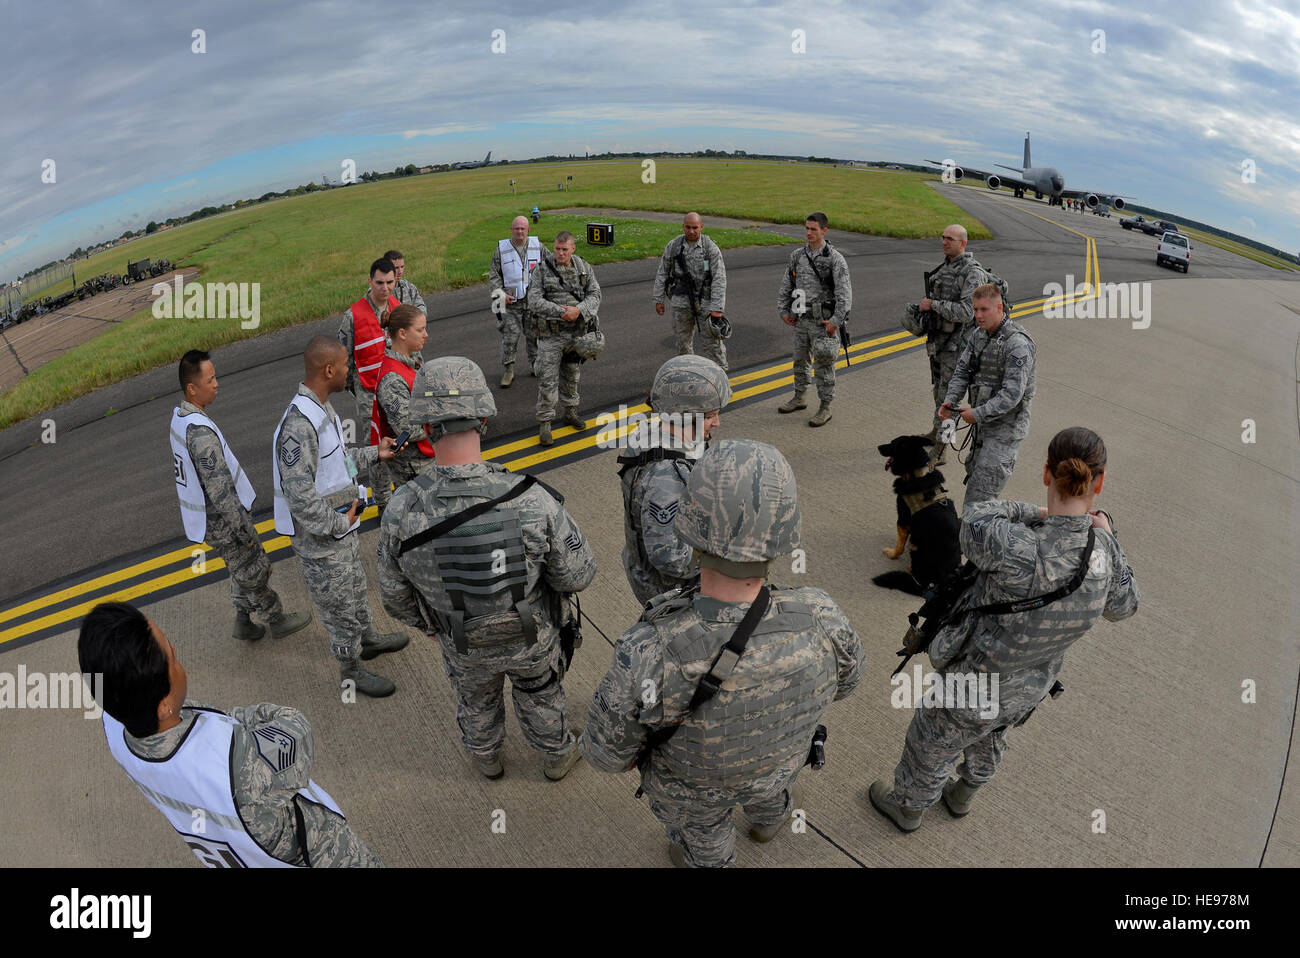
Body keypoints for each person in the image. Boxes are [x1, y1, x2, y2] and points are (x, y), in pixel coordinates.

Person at [583, 440, 866, 868]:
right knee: (772, 796)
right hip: (778, 768)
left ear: (692, 525)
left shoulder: (647, 650)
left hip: (694, 794)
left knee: (704, 837)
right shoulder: (823, 614)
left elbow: (606, 754)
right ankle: (768, 821)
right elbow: (847, 685)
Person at [868, 427, 1140, 830]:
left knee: (930, 742)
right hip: (1029, 687)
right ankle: (962, 794)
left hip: (972, 683)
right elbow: (1125, 606)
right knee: (993, 734)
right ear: (1100, 482)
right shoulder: (1104, 553)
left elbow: (975, 516)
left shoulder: (1008, 542)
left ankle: (908, 807)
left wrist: (1041, 513)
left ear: (1047, 474)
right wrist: (1106, 536)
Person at [378, 357, 596, 781]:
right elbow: (577, 575)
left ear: (425, 428)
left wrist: (429, 623)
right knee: (540, 692)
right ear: (482, 418)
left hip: (461, 638)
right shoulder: (531, 498)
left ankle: (487, 758)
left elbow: (394, 596)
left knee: (476, 700)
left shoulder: (402, 510)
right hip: (531, 633)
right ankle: (555, 756)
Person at [80, 601, 383, 867]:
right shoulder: (234, 763)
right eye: (171, 656)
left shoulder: (117, 726)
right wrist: (241, 720)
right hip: (321, 855)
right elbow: (295, 729)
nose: (174, 650)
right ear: (162, 707)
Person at [273, 337, 409, 698]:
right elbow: (299, 495)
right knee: (338, 607)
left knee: (353, 590)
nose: (350, 370)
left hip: (340, 528)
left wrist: (373, 455)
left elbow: (337, 461)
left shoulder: (322, 410)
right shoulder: (298, 426)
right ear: (328, 370)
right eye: (346, 364)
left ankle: (367, 639)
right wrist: (338, 524)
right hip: (323, 538)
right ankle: (351, 671)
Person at [170, 350, 310, 642]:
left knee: (239, 568)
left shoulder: (181, 418)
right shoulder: (200, 433)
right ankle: (277, 620)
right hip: (224, 521)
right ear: (192, 388)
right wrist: (243, 530)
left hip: (206, 519)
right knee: (255, 567)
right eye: (210, 379)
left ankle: (243, 619)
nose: (217, 383)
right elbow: (221, 493)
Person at [619, 355, 731, 605]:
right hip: (675, 593)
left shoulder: (649, 434)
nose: (717, 422)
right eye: (711, 415)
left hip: (646, 568)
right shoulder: (667, 480)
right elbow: (671, 558)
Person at [938, 284, 1036, 503]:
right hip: (982, 425)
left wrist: (977, 413)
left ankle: (972, 534)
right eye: (975, 310)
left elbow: (1012, 395)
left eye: (984, 310)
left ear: (999, 307)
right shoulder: (978, 336)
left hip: (1004, 431)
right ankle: (973, 532)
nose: (978, 315)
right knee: (974, 476)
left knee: (980, 495)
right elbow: (962, 371)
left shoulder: (1017, 344)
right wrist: (950, 400)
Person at [902, 225, 986, 463]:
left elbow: (968, 312)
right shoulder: (945, 268)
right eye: (943, 237)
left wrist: (933, 305)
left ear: (963, 243)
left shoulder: (972, 272)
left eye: (950, 239)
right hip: (940, 343)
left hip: (958, 349)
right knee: (939, 393)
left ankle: (942, 448)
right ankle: (936, 433)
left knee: (950, 401)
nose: (944, 242)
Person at [776, 212, 852, 427]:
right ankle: (799, 397)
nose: (809, 233)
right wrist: (783, 310)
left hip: (823, 322)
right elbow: (787, 284)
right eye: (807, 228)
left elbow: (844, 294)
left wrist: (835, 321)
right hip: (801, 320)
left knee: (823, 365)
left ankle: (825, 407)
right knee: (800, 361)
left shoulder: (834, 259)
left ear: (824, 231)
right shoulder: (798, 255)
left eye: (813, 229)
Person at [528, 231, 602, 446]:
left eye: (564, 249)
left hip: (576, 334)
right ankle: (545, 423)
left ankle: (571, 412)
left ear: (573, 248)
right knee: (547, 379)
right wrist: (562, 311)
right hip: (550, 335)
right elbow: (533, 301)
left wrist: (578, 310)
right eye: (557, 249)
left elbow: (595, 294)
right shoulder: (542, 269)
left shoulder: (583, 268)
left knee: (572, 375)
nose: (560, 253)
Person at [369, 305, 435, 507]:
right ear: (402, 333)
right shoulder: (392, 379)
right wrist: (443, 417)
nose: (426, 334)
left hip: (424, 460)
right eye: (420, 330)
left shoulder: (410, 361)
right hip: (413, 468)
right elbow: (407, 428)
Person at [652, 212, 729, 369]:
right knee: (683, 345)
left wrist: (717, 308)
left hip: (706, 303)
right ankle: (689, 377)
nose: (691, 231)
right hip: (681, 302)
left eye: (695, 227)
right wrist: (658, 299)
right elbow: (662, 272)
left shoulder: (710, 249)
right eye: (688, 227)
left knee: (713, 345)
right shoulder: (673, 246)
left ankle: (721, 382)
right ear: (683, 227)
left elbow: (719, 278)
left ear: (701, 227)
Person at [338, 258, 400, 436]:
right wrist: (357, 389)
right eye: (379, 283)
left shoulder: (399, 309)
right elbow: (343, 359)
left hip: (398, 391)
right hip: (368, 395)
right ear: (370, 281)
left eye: (390, 282)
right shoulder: (353, 316)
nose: (385, 288)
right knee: (375, 444)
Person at [488, 216, 542, 386]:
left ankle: (535, 365)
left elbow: (550, 267)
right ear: (511, 230)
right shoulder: (501, 250)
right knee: (510, 337)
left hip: (532, 301)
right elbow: (494, 276)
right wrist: (500, 294)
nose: (519, 232)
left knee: (534, 335)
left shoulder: (538, 247)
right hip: (511, 303)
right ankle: (509, 370)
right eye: (516, 228)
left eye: (523, 229)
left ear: (528, 230)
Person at [383, 249, 426, 314]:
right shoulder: (378, 291)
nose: (400, 272)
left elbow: (421, 307)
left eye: (402, 267)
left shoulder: (408, 286)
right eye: (396, 268)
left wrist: (412, 319)